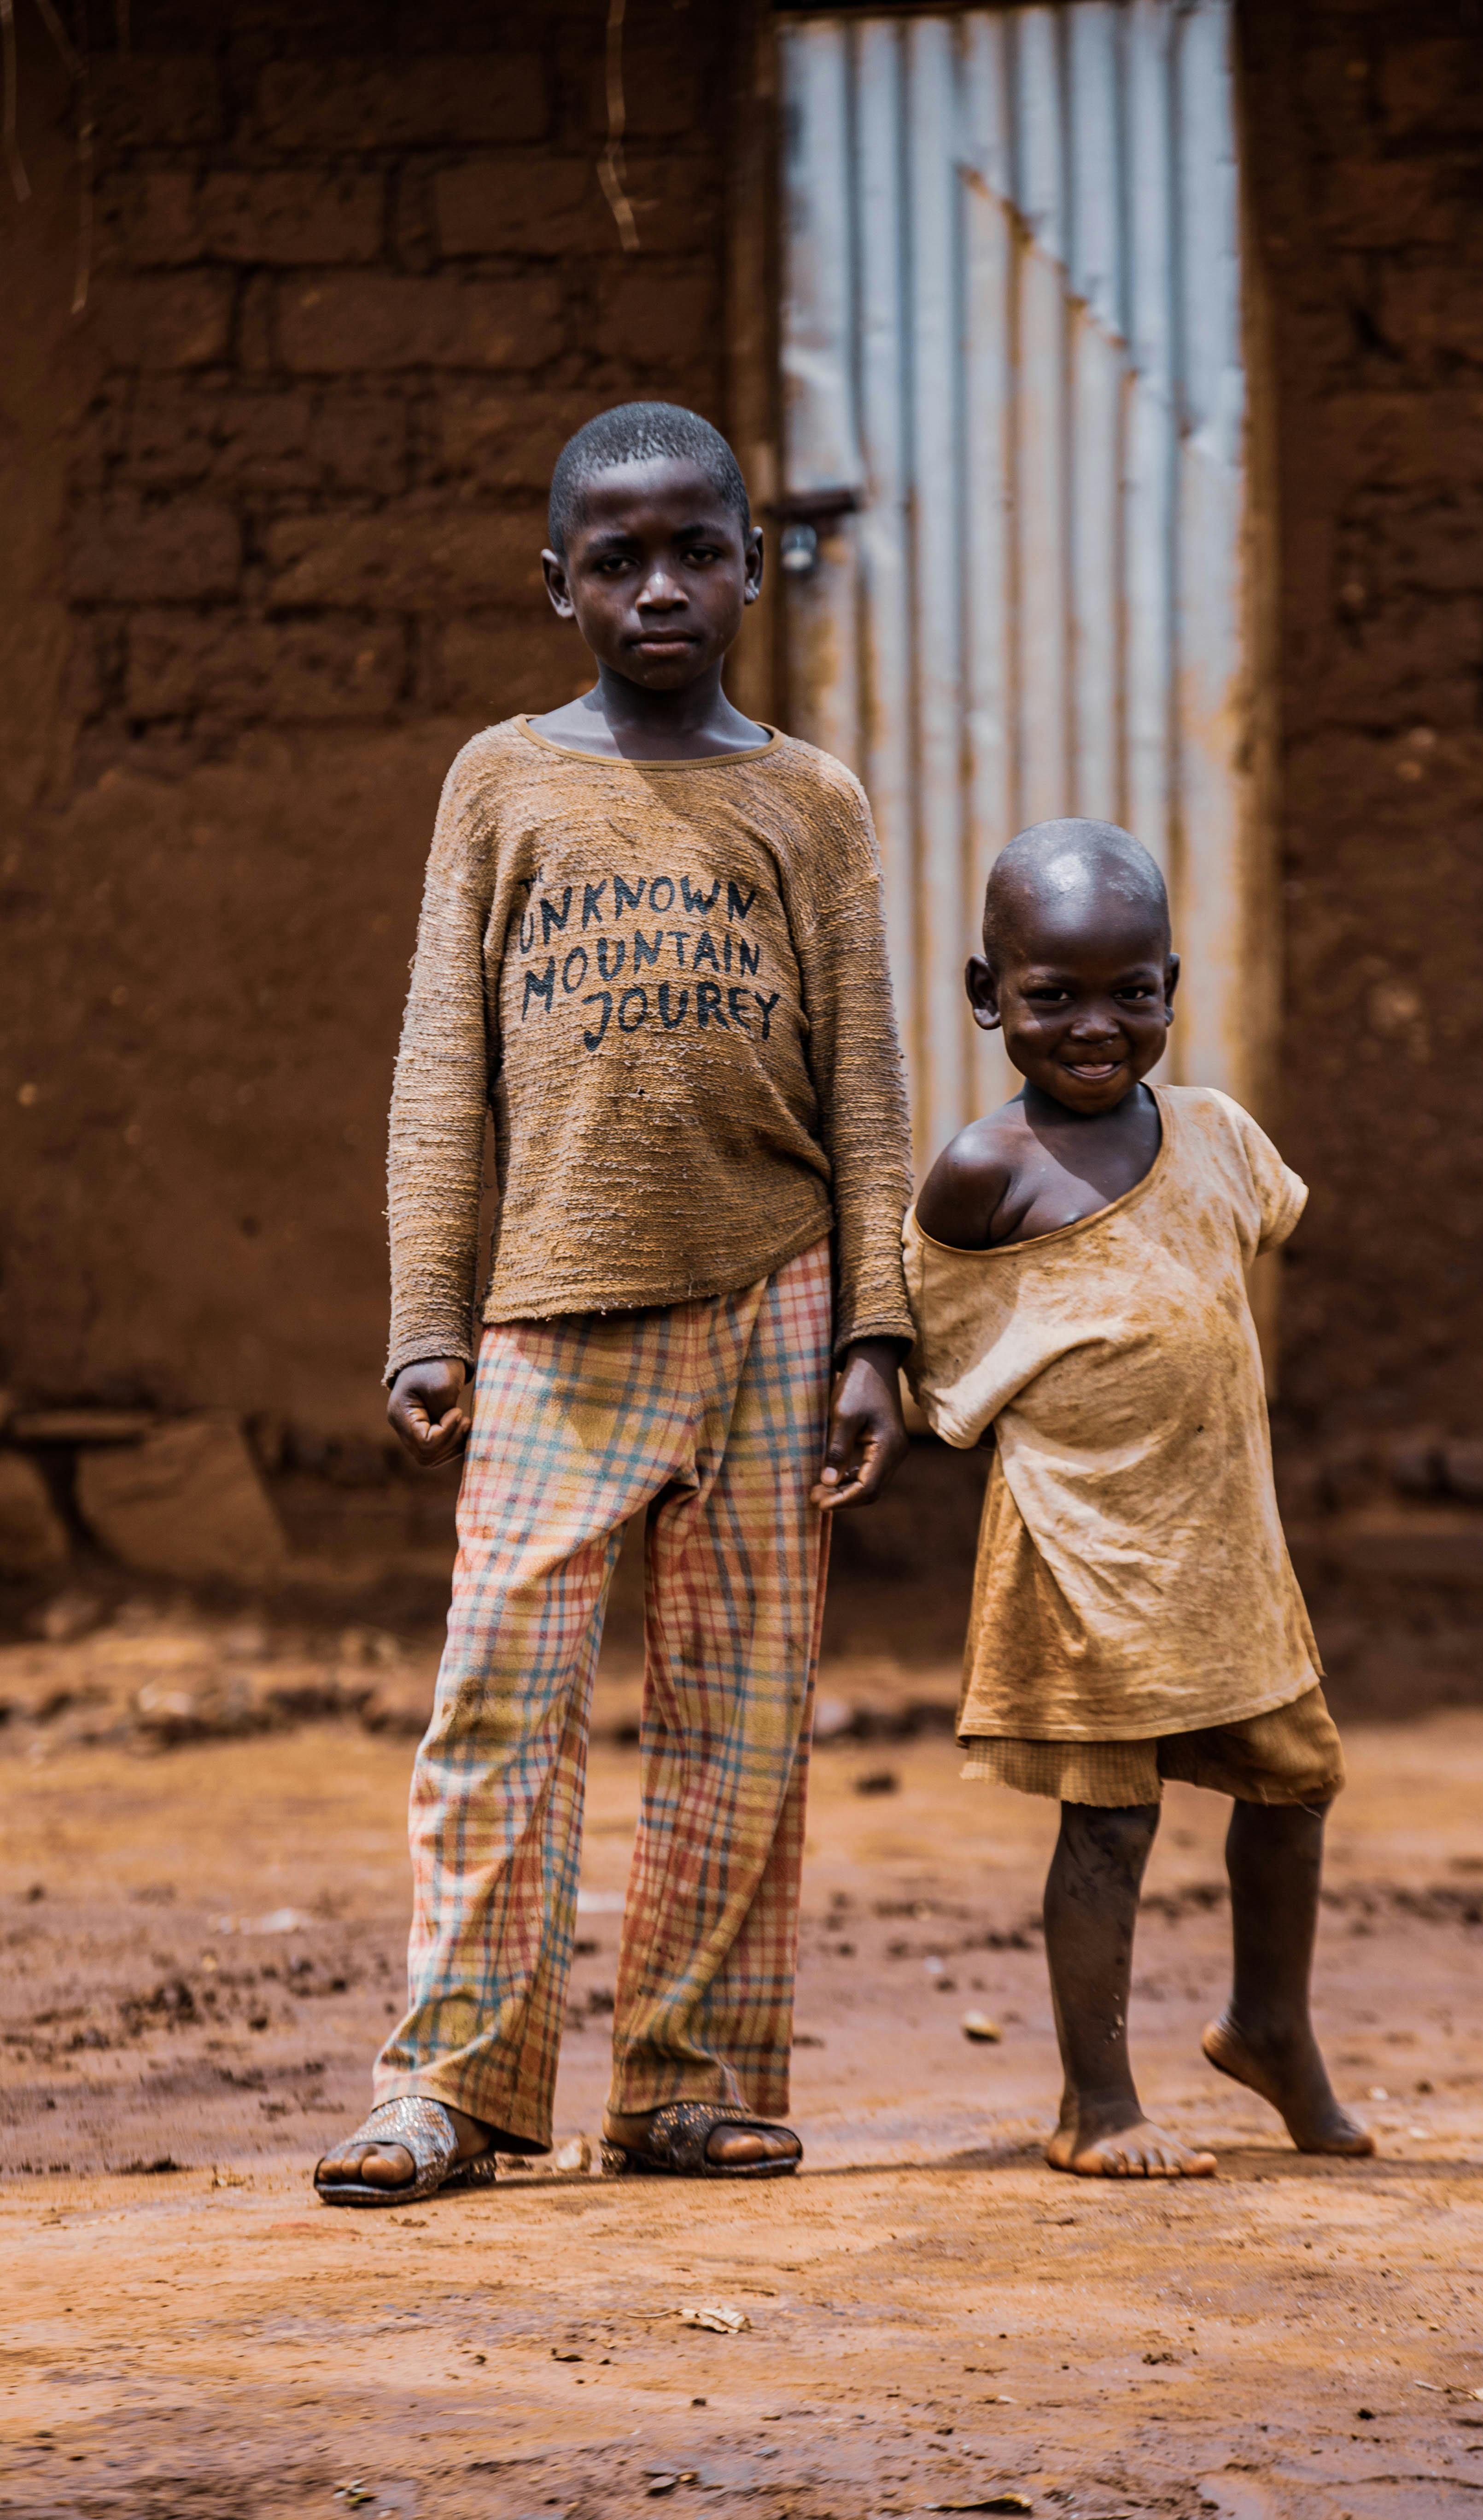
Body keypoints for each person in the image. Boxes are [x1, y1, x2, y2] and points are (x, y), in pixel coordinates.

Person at [315, 402, 913, 2205]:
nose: (660, 588)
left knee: (742, 1708)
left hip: (774, 1299)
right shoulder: (499, 781)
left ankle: (695, 2078)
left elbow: (869, 1086)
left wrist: (877, 1331)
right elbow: (443, 1064)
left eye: (694, 551)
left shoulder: (810, 799)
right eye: (616, 559)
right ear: (556, 583)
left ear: (749, 560)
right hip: (556, 1316)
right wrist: (431, 1314)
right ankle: (456, 2087)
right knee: (501, 1691)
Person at [905, 819, 1370, 2179]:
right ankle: (1094, 2101)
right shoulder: (988, 1172)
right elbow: (911, 1322)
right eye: (1052, 996)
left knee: (1296, 1783)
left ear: (1175, 982)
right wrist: (871, 1404)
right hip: (1081, 1549)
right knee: (1109, 1820)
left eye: (1133, 993)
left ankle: (1268, 2025)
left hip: (1224, 1545)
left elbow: (1244, 1241)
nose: (1095, 1026)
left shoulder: (1220, 1136)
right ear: (989, 995)